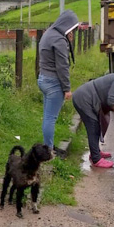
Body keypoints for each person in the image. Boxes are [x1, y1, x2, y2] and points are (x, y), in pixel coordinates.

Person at [38, 9, 79, 154]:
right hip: (53, 82)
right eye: (73, 28)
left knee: (47, 116)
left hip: (43, 78)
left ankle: (47, 146)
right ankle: (48, 151)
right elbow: (62, 66)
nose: (73, 32)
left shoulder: (48, 33)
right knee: (50, 118)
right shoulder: (59, 40)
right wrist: (67, 89)